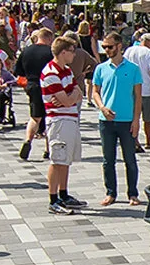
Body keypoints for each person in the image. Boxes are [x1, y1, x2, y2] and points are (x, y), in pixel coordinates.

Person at [92, 33, 143, 208]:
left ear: (119, 46)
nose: (107, 50)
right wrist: (102, 108)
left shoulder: (133, 68)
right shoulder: (101, 68)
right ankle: (110, 192)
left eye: (110, 47)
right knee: (108, 159)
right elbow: (95, 92)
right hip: (106, 120)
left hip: (127, 120)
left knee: (130, 158)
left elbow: (138, 97)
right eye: (104, 47)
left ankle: (133, 193)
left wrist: (136, 120)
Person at [41, 33, 87, 214]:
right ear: (62, 52)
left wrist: (69, 96)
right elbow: (68, 100)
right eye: (71, 51)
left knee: (66, 160)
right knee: (57, 159)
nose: (74, 55)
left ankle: (64, 193)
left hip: (70, 119)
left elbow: (78, 93)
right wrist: (70, 96)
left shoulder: (66, 71)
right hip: (58, 120)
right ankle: (53, 199)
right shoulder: (50, 72)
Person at [16, 27, 55, 162]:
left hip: (32, 85)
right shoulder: (50, 52)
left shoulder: (26, 51)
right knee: (49, 116)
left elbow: (18, 71)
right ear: (49, 38)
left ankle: (28, 140)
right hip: (48, 85)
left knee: (35, 117)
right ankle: (48, 149)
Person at [127, 32, 150, 150]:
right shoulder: (149, 53)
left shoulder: (129, 50)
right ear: (149, 42)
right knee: (148, 118)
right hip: (146, 89)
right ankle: (148, 140)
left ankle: (135, 140)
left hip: (131, 88)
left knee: (134, 117)